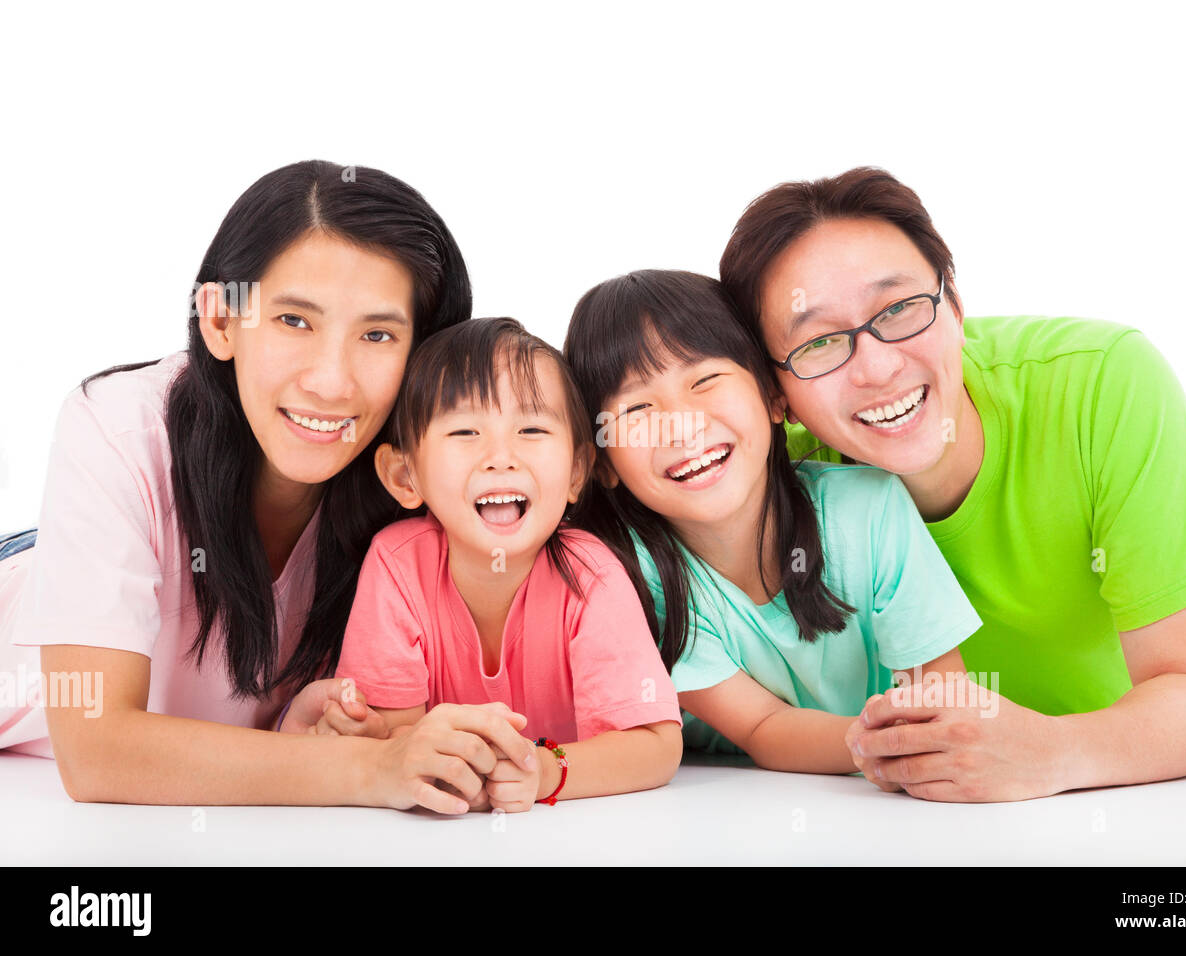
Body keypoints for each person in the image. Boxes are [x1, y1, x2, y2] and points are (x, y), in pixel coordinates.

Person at [718, 166, 1186, 801]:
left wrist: (1051, 755)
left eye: (901, 308)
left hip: (1140, 663)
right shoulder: (760, 475)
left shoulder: (1105, 381)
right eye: (821, 341)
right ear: (778, 396)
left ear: (956, 305)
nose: (878, 367)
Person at [0, 160, 539, 812]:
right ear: (221, 322)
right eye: (294, 321)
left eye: (377, 334)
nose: (331, 382)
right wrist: (372, 769)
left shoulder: (423, 473)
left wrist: (317, 729)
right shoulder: (115, 427)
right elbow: (98, 752)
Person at [564, 269, 981, 774]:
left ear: (773, 396)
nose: (682, 424)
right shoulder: (631, 575)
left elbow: (944, 695)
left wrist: (930, 738)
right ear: (601, 463)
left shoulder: (869, 508)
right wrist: (891, 746)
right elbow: (764, 727)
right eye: (636, 408)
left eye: (704, 380)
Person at [292, 318, 682, 811]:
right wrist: (370, 733)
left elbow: (655, 747)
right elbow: (396, 740)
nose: (501, 457)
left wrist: (545, 771)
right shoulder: (397, 565)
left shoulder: (591, 574)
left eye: (533, 429)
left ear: (576, 472)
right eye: (465, 430)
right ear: (404, 475)